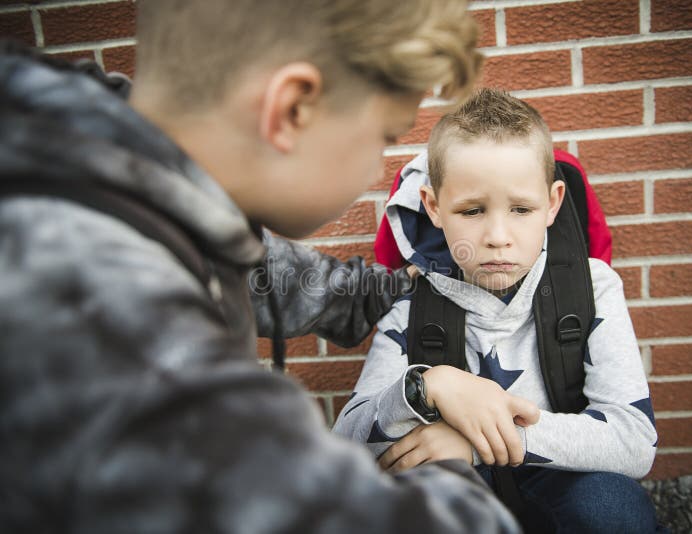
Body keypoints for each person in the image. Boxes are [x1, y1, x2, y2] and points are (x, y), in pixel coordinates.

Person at [0, 1, 524, 532]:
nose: (374, 170)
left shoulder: (119, 174)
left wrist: (406, 284)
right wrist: (455, 456)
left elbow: (278, 275)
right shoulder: (97, 306)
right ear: (292, 110)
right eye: (384, 137)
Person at [333, 88, 661, 533]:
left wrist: (477, 443)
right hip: (463, 494)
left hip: (563, 476)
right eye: (472, 210)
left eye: (521, 209)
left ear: (553, 203)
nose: (498, 237)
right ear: (434, 207)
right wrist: (426, 386)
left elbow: (635, 442)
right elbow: (349, 445)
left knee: (613, 509)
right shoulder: (411, 301)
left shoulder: (591, 286)